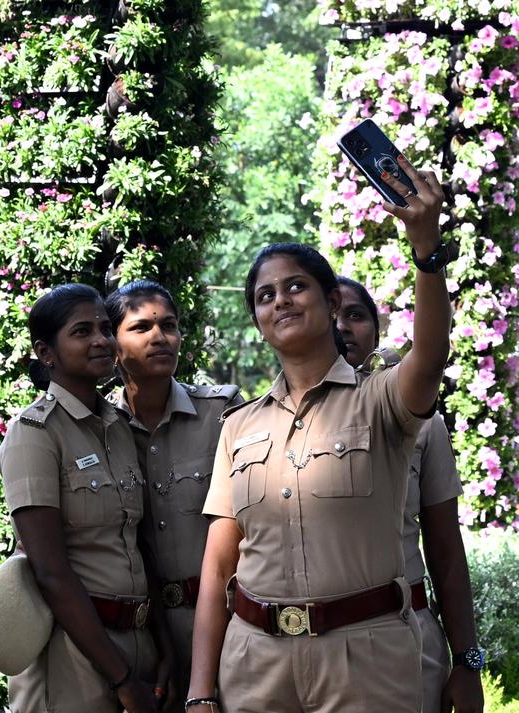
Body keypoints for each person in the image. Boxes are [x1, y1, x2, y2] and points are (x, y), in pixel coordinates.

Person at [187, 155, 452, 713]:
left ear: (332, 302)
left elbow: (429, 356)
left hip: (366, 662)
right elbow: (217, 569)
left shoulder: (381, 400)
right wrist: (201, 691)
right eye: (265, 295)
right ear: (258, 321)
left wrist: (426, 251)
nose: (280, 300)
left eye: (296, 287)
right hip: (255, 663)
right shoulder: (238, 427)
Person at [0, 283, 158, 713]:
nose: (102, 340)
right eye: (82, 331)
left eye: (105, 329)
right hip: (73, 657)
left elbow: (137, 544)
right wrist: (122, 677)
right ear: (46, 353)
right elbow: (51, 571)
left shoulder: (119, 426)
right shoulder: (35, 435)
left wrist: (157, 650)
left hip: (136, 643)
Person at [336, 275, 484, 713]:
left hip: (408, 638)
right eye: (332, 314)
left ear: (377, 335)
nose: (342, 325)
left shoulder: (421, 422)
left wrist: (467, 662)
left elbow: (445, 548)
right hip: (311, 650)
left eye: (356, 315)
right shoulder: (271, 421)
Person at [105, 280, 243, 710]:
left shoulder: (221, 413)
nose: (160, 336)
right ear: (112, 345)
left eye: (169, 325)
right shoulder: (101, 431)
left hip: (231, 623)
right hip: (145, 639)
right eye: (142, 327)